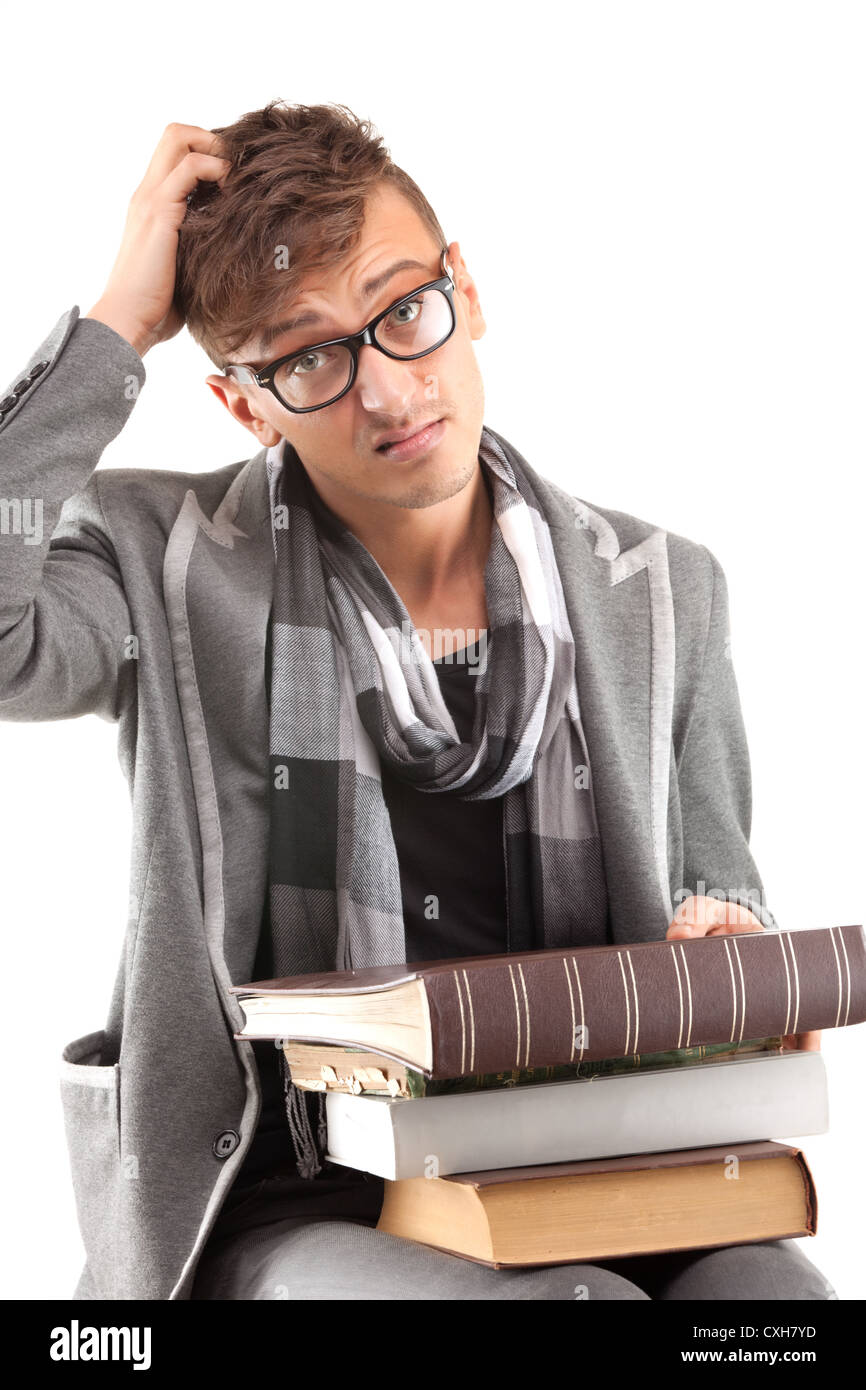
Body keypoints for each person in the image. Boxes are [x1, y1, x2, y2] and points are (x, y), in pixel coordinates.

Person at [0, 100, 831, 1301]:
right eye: (310, 358)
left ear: (465, 291)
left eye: (403, 314)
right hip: (296, 1189)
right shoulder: (160, 557)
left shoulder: (662, 591)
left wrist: (726, 939)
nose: (388, 393)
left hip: (593, 1155)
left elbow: (715, 879)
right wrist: (113, 332)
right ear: (245, 403)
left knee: (775, 1312)